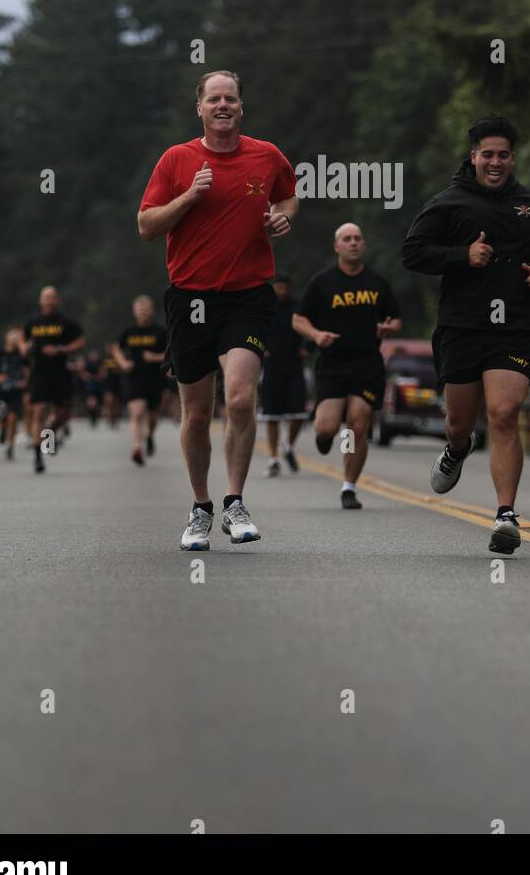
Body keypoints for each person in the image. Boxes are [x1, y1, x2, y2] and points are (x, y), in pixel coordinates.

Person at [137, 69, 298, 550]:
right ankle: (200, 508)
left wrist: (282, 216)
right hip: (191, 298)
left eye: (231, 98)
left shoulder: (266, 155)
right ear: (200, 108)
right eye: (214, 99)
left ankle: (235, 502)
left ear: (241, 107)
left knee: (242, 397)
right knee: (197, 412)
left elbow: (288, 194)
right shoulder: (177, 159)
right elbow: (146, 225)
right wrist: (190, 195)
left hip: (248, 296)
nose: (223, 106)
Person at [402, 114, 530, 553]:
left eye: (503, 155)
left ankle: (506, 516)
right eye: (487, 154)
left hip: (514, 329)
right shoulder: (449, 203)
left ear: (513, 158)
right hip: (462, 327)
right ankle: (457, 449)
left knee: (503, 414)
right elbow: (413, 253)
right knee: (460, 423)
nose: (496, 162)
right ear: (473, 156)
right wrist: (462, 255)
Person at [292, 224, 401, 509]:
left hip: (366, 364)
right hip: (332, 364)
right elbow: (298, 320)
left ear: (363, 245)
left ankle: (348, 486)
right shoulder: (322, 282)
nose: (353, 243)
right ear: (337, 246)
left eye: (357, 238)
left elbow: (395, 318)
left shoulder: (377, 282)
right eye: (346, 239)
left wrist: (389, 327)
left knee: (357, 424)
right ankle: (325, 435)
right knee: (328, 427)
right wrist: (316, 335)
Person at [19, 286, 85, 474]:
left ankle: (49, 433)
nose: (48, 301)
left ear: (57, 301)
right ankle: (38, 456)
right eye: (45, 298)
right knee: (38, 411)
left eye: (52, 298)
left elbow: (81, 341)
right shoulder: (33, 323)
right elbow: (22, 340)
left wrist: (61, 349)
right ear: (40, 301)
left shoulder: (67, 323)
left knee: (61, 414)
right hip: (39, 373)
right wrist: (24, 347)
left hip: (61, 373)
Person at [259, 273, 309, 476]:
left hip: (295, 365)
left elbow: (311, 327)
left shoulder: (299, 306)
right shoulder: (264, 307)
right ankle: (272, 458)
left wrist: (308, 347)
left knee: (299, 413)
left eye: (285, 288)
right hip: (272, 367)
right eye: (279, 288)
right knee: (272, 415)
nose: (282, 291)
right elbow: (254, 329)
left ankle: (287, 446)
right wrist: (260, 347)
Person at [111, 295, 168, 466]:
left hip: (155, 378)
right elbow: (116, 349)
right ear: (134, 312)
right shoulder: (128, 333)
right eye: (139, 309)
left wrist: (155, 357)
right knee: (136, 413)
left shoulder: (160, 332)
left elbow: (171, 353)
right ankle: (136, 448)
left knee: (152, 416)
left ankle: (149, 435)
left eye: (145, 309)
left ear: (151, 311)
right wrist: (122, 362)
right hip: (133, 378)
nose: (142, 312)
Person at [0, 327, 29, 460]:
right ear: (6, 337)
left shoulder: (21, 355)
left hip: (15, 391)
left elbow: (27, 368)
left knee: (13, 418)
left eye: (17, 336)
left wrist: (25, 382)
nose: (14, 338)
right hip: (1, 391)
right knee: (2, 416)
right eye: (12, 335)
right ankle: (3, 430)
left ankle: (10, 445)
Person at [78, 349, 106, 428]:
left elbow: (103, 374)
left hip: (99, 386)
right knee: (91, 402)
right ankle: (92, 417)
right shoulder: (86, 363)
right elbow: (81, 373)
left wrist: (94, 377)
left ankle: (95, 415)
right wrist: (86, 376)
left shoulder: (100, 363)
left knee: (98, 404)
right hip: (90, 386)